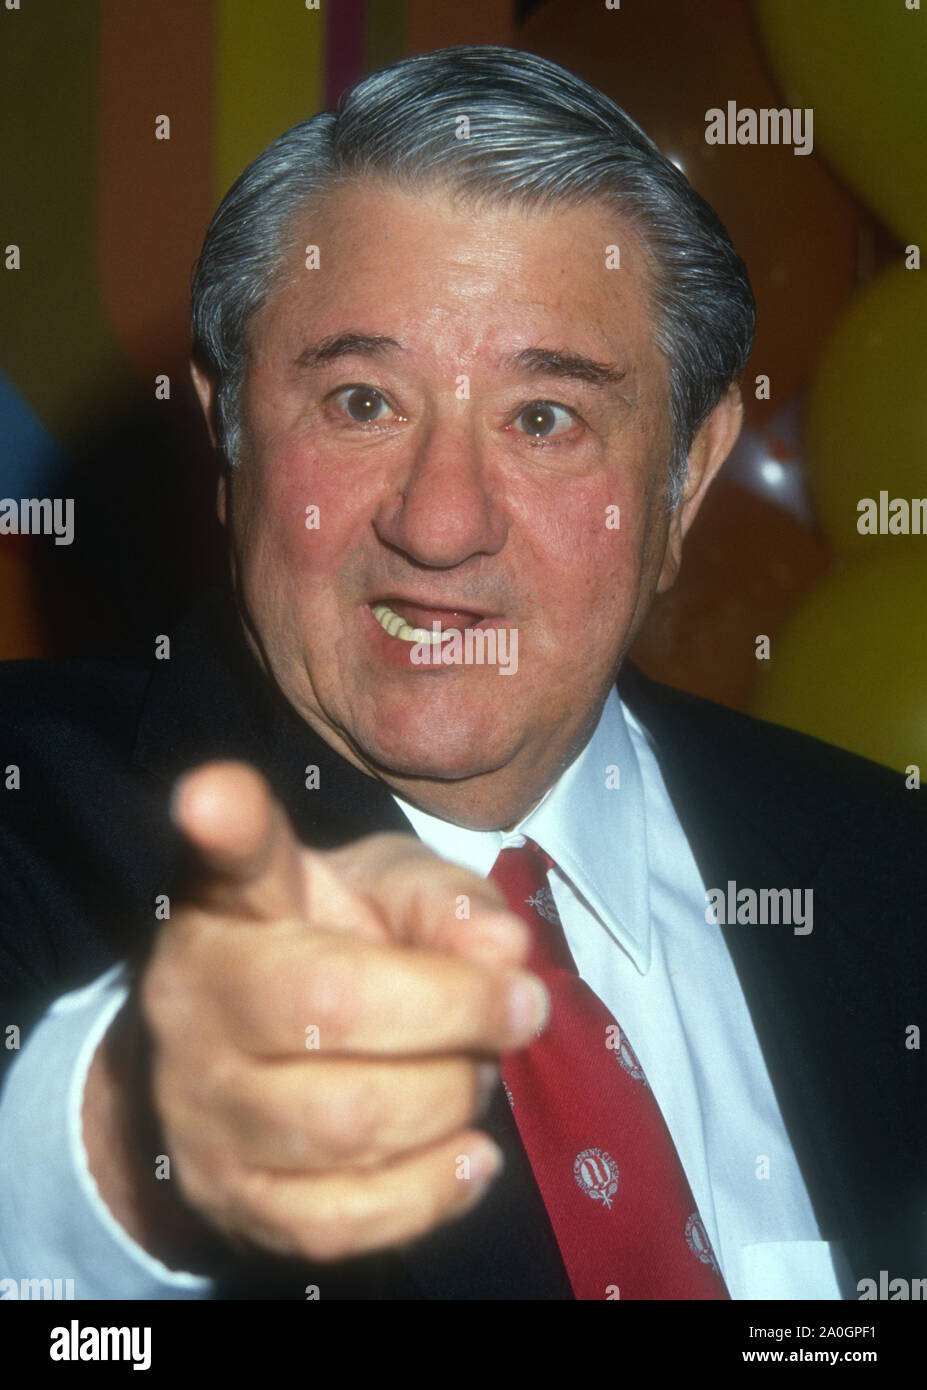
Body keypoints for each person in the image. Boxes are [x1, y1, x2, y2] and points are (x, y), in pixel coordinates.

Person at [0, 46, 923, 1302]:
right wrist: (123, 1137)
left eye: (545, 419)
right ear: (228, 437)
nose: (441, 524)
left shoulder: (885, 869)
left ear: (685, 478)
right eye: (362, 402)